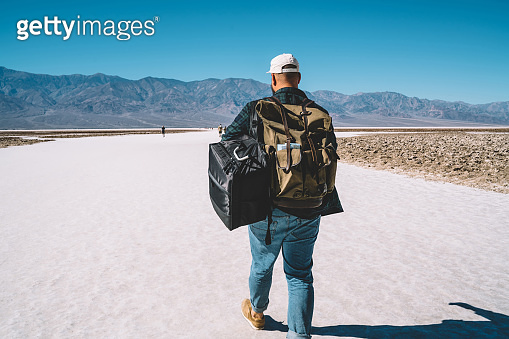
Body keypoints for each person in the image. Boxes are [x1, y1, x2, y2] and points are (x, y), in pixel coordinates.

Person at [222, 53, 342, 339]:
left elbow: (229, 140)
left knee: (262, 263)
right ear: (298, 78)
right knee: (300, 275)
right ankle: (299, 335)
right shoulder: (321, 114)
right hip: (311, 208)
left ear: (273, 79)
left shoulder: (257, 109)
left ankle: (258, 312)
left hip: (269, 208)